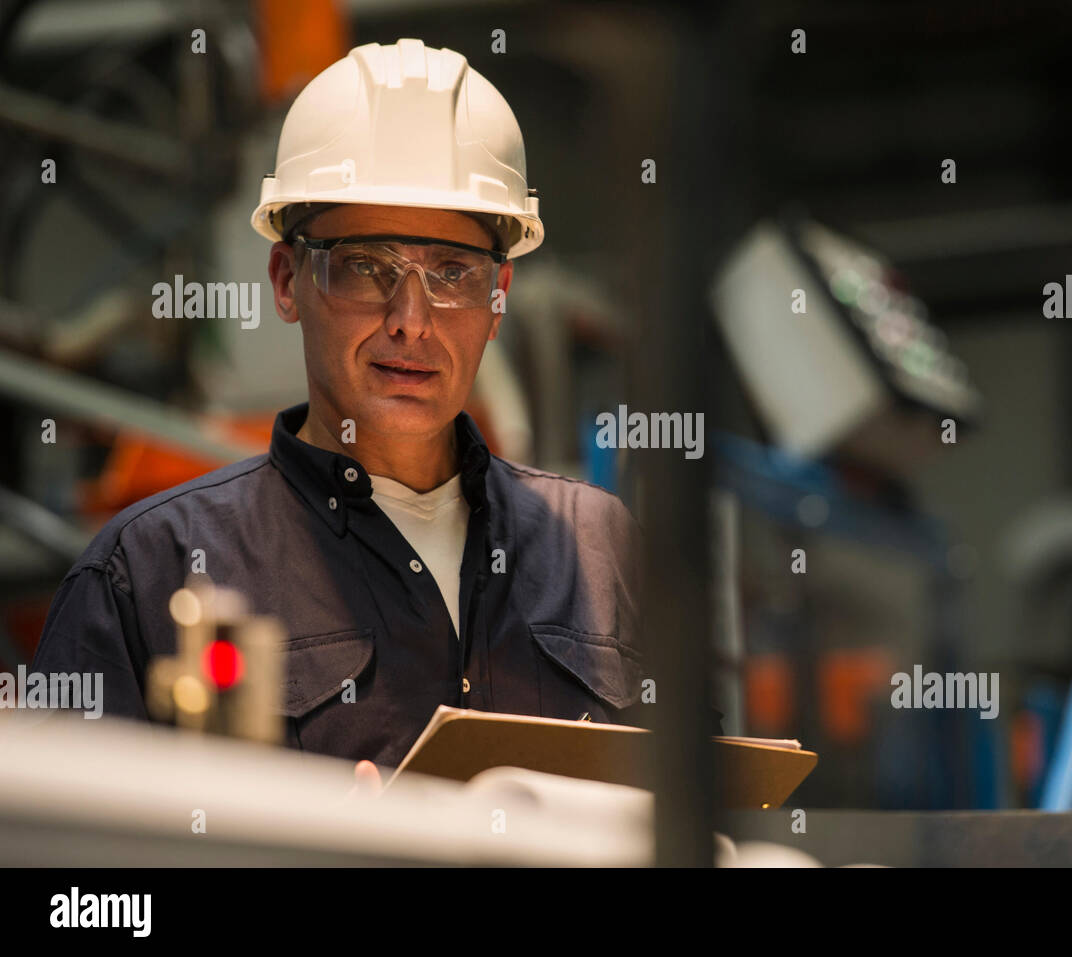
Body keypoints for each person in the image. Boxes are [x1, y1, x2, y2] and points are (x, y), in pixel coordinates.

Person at [31, 39, 689, 771]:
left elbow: (700, 814)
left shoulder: (602, 552)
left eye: (451, 272)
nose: (412, 318)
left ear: (497, 297)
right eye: (367, 267)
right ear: (286, 280)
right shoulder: (146, 573)